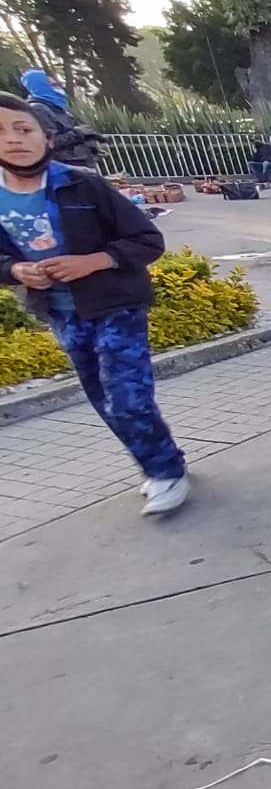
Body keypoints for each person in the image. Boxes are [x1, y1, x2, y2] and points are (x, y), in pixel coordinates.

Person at [0, 93, 187, 514]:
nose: (13, 140)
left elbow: (146, 240)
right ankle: (157, 461)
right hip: (62, 311)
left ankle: (164, 472)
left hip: (116, 304)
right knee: (102, 397)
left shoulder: (83, 185)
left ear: (47, 138)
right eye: (1, 132)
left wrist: (94, 261)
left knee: (126, 396)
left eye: (23, 129)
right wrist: (15, 271)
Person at [20, 69, 100, 169]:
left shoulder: (58, 108)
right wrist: (78, 132)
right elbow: (50, 142)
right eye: (53, 85)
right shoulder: (38, 109)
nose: (59, 89)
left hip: (80, 164)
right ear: (41, 86)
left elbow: (69, 133)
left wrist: (92, 145)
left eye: (58, 85)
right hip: (65, 167)